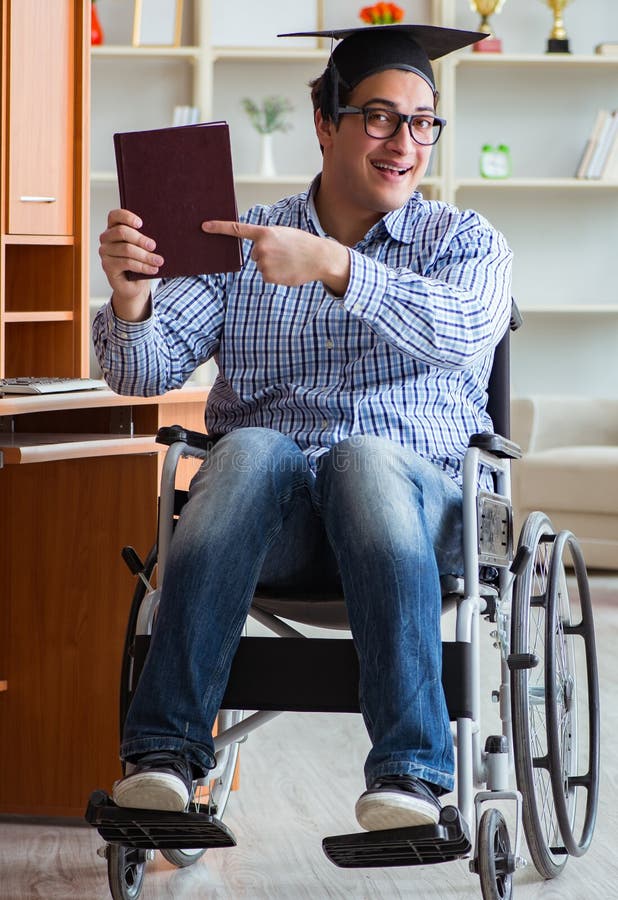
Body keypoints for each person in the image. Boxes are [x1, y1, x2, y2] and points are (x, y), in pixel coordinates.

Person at [94, 23, 512, 832]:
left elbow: (465, 330)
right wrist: (131, 296)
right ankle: (164, 760)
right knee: (247, 449)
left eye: (423, 121)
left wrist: (332, 266)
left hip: (422, 515)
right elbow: (139, 373)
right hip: (276, 528)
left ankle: (411, 776)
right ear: (325, 121)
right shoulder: (242, 240)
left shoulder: (462, 240)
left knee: (364, 459)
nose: (405, 143)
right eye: (381, 117)